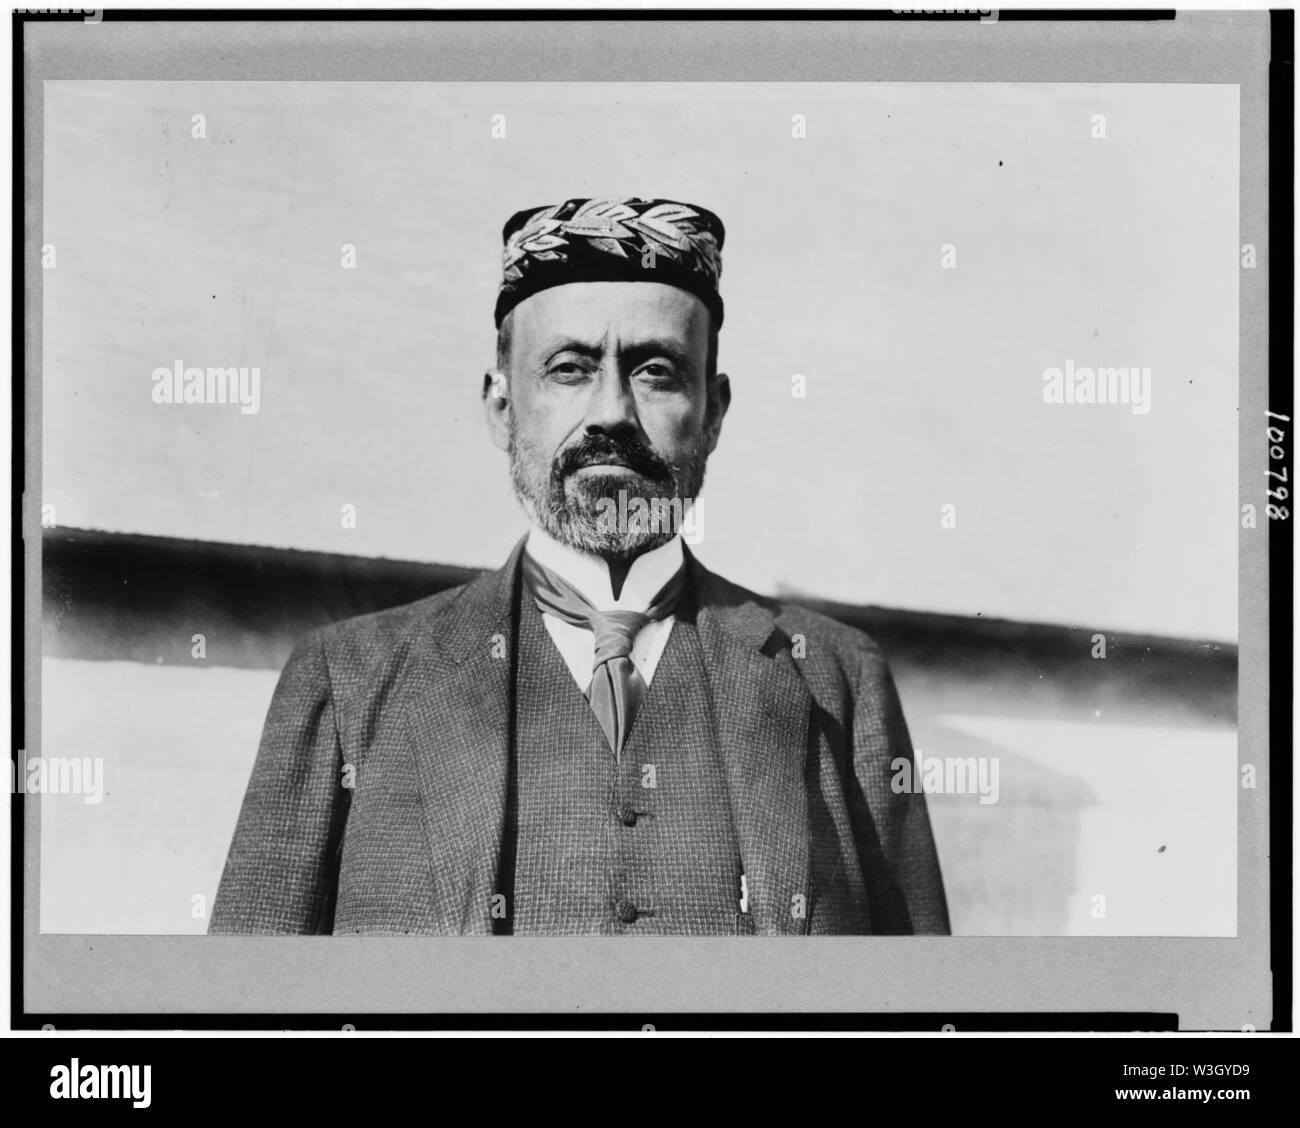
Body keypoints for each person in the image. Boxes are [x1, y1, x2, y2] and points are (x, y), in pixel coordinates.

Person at [210, 195, 949, 936]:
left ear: (714, 411)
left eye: (656, 372)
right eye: (568, 369)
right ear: (502, 408)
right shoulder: (347, 682)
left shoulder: (837, 679)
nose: (612, 414)